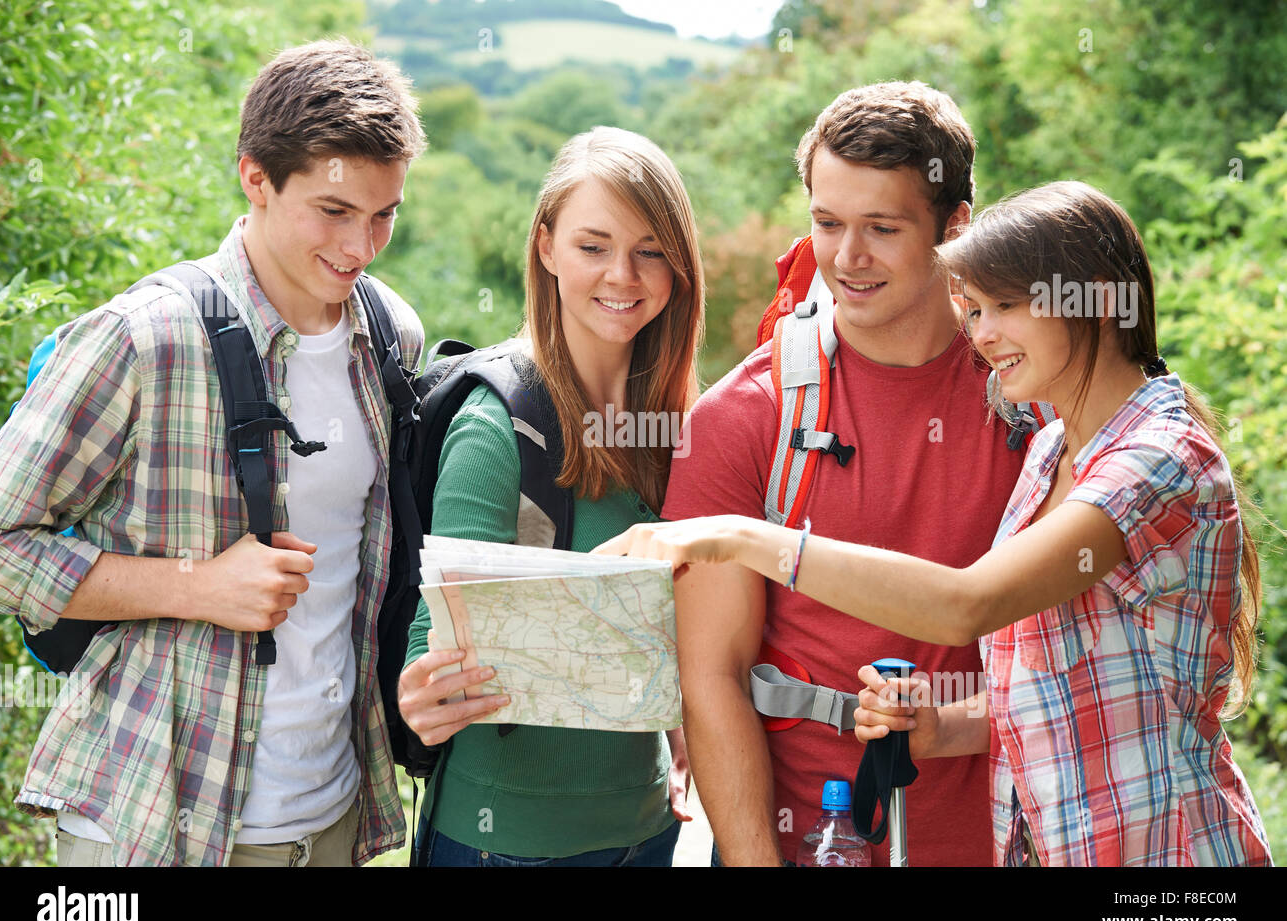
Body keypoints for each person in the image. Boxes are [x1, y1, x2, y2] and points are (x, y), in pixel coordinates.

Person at [600, 180, 1274, 867]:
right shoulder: (1053, 448)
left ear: (1095, 299)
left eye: (1006, 305)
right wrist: (941, 727)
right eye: (975, 309)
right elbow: (1072, 683)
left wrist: (737, 536)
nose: (982, 335)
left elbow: (966, 605)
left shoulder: (1159, 460)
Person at [0, 40, 427, 866]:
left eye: (384, 215)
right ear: (255, 177)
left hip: (333, 818)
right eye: (334, 212)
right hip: (156, 821)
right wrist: (196, 586)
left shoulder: (389, 332)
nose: (361, 248)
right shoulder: (141, 339)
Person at [622, 82, 1021, 866]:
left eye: (882, 227)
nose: (848, 257)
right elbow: (713, 682)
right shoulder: (744, 418)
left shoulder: (1030, 397)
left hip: (1017, 838)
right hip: (816, 845)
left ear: (956, 226)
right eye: (829, 223)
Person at [396, 126, 704, 867]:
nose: (622, 276)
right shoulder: (499, 426)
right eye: (592, 247)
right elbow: (429, 638)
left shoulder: (681, 425)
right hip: (504, 843)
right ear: (545, 247)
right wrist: (423, 696)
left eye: (650, 249)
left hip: (647, 831)